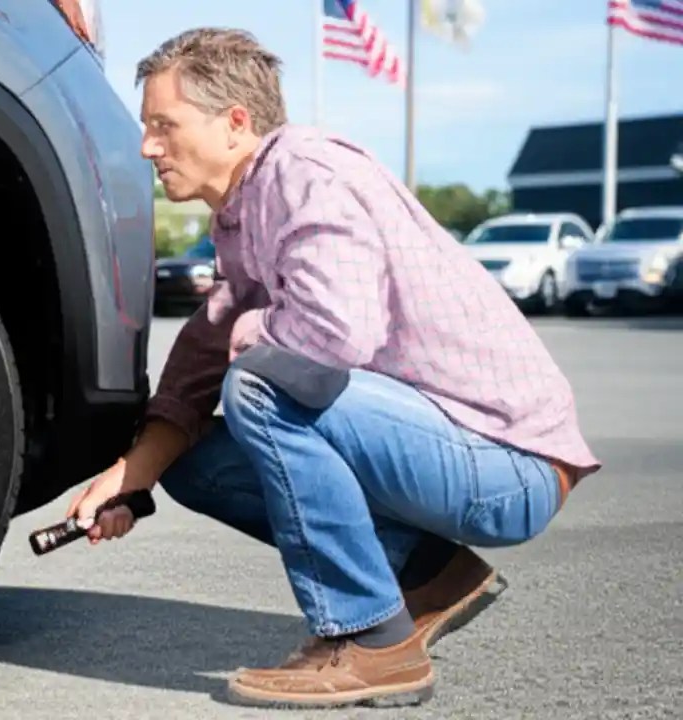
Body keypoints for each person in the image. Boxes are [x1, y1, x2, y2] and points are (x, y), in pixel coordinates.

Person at [65, 27, 600, 709]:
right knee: (194, 460)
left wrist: (245, 330)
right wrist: (133, 472)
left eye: (163, 125)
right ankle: (431, 574)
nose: (148, 147)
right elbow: (204, 346)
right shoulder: (245, 209)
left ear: (235, 123)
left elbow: (332, 336)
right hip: (444, 450)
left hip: (506, 465)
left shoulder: (305, 173)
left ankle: (375, 642)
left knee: (262, 383)